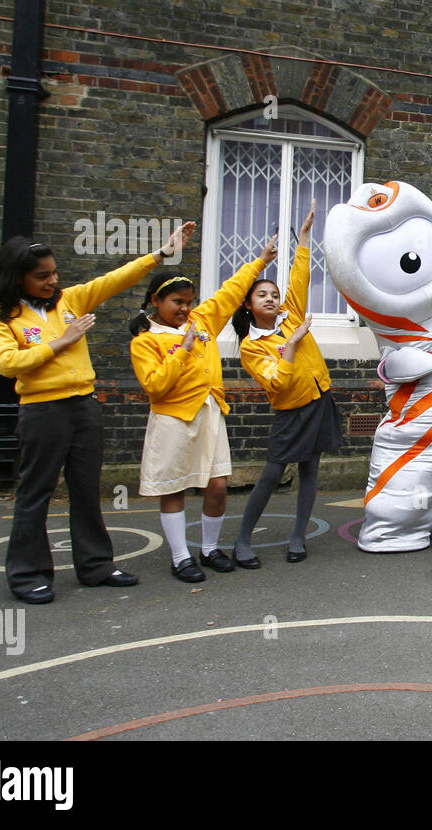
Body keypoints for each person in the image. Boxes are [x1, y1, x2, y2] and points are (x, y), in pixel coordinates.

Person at [0, 223, 195, 604]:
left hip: (84, 405)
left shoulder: (68, 301)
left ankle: (96, 566)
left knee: (85, 490)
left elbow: (112, 281)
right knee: (36, 493)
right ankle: (28, 574)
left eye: (54, 273)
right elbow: (9, 363)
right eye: (42, 276)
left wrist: (160, 255)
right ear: (17, 278)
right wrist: (61, 342)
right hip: (42, 410)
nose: (52, 281)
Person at [129, 235, 278, 582]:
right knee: (174, 487)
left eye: (188, 302)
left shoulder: (201, 320)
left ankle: (209, 549)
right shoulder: (145, 341)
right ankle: (180, 557)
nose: (184, 308)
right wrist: (182, 350)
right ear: (156, 301)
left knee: (218, 485)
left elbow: (230, 291)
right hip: (172, 418)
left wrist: (260, 262)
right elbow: (154, 386)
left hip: (209, 411)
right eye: (176, 302)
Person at [230, 203, 341, 567]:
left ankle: (298, 537)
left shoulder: (289, 315)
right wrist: (291, 345)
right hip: (290, 412)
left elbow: (300, 276)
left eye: (274, 294)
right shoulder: (251, 346)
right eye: (262, 295)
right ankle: (243, 540)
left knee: (311, 470)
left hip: (318, 400)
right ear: (248, 304)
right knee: (273, 474)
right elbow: (277, 382)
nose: (272, 298)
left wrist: (305, 237)